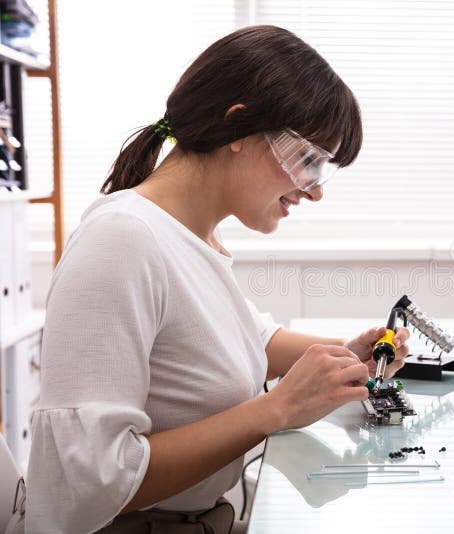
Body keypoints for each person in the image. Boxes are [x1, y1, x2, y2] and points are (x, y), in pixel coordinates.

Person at [25, 25, 409, 534]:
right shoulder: (124, 241)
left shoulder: (191, 237)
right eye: (307, 160)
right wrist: (277, 409)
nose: (315, 192)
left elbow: (245, 340)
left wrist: (348, 350)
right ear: (239, 130)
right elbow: (94, 479)